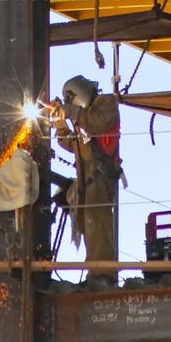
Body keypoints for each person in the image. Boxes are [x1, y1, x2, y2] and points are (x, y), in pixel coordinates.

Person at [50, 75, 124, 279]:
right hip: (86, 182)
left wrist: (72, 113)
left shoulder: (106, 104)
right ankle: (95, 272)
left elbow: (97, 124)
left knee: (97, 225)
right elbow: (70, 143)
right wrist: (60, 124)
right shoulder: (81, 119)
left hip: (102, 178)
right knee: (87, 227)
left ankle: (102, 277)